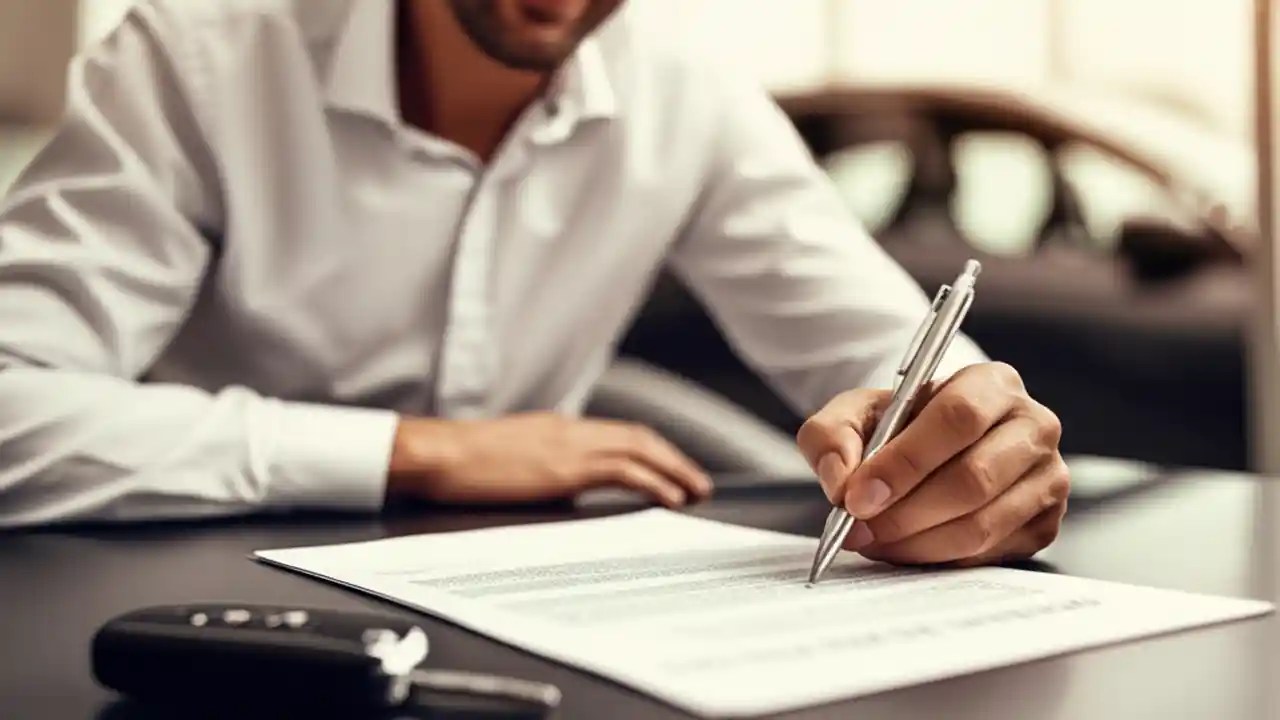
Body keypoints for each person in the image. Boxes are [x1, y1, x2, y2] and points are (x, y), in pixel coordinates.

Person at [0, 0, 1067, 566]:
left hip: (524, 605)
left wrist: (971, 451)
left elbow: (891, 361)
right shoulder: (192, 62)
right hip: (185, 587)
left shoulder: (686, 97)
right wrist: (422, 451)